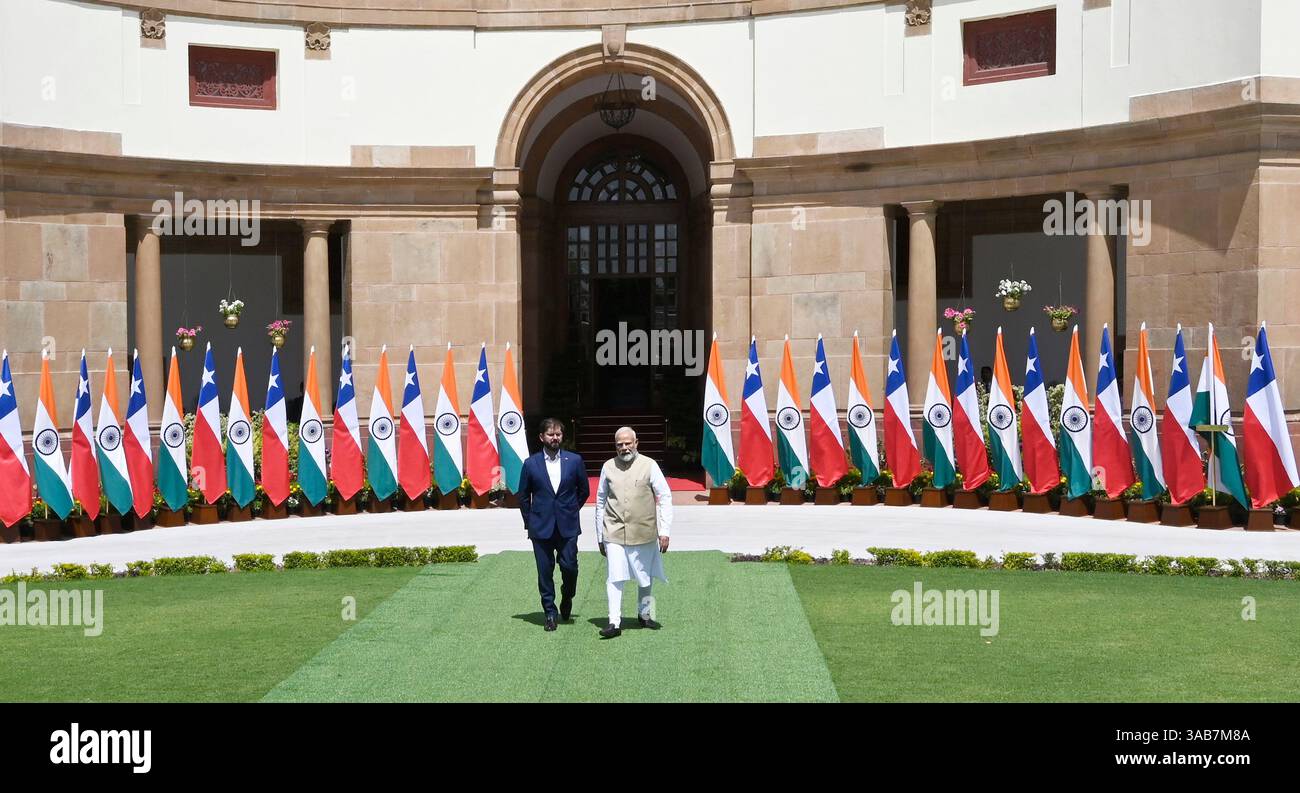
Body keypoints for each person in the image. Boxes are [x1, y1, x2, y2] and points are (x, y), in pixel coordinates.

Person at [593, 427, 672, 639]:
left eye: (628, 443)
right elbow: (600, 500)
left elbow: (664, 496)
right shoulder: (608, 467)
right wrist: (600, 535)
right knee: (614, 577)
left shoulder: (650, 465)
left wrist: (664, 531)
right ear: (615, 446)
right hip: (614, 531)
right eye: (620, 444)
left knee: (645, 577)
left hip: (644, 531)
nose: (624, 447)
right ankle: (614, 622)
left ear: (636, 443)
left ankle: (644, 615)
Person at [516, 417, 589, 631]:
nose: (555, 438)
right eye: (551, 434)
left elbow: (584, 490)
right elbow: (523, 496)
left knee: (569, 566)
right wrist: (530, 522)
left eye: (558, 434)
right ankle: (550, 611)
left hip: (567, 526)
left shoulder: (574, 461)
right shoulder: (531, 464)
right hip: (540, 527)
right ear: (541, 437)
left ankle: (567, 597)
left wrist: (571, 510)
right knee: (544, 571)